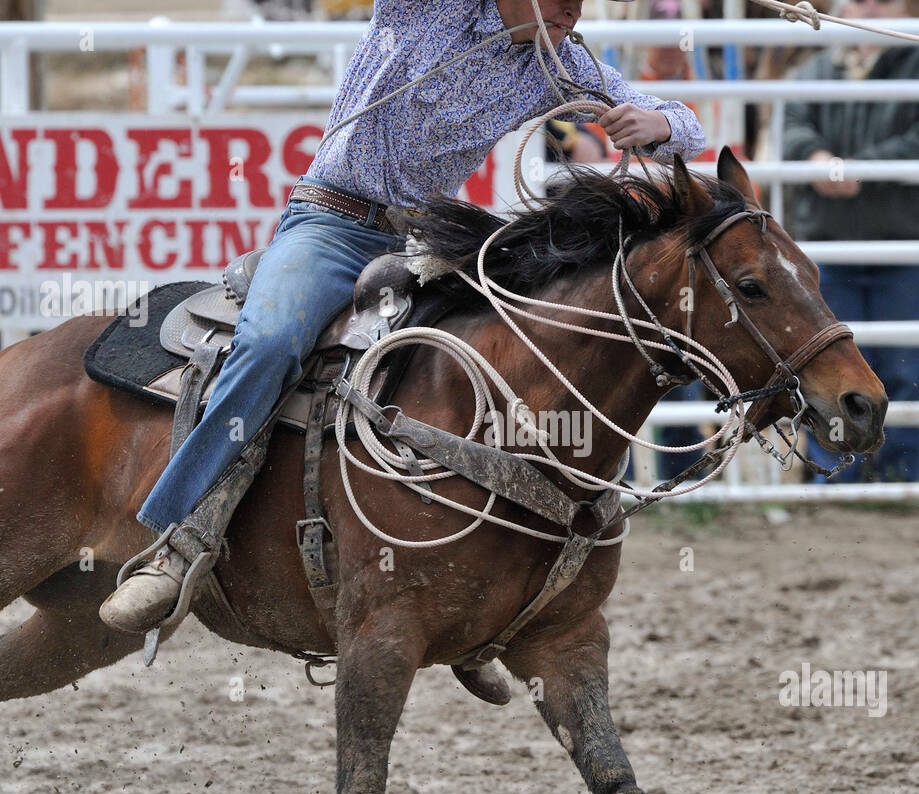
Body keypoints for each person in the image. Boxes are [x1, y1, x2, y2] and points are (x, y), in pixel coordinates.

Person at [99, 0, 706, 633]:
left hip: (424, 240)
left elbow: (686, 127)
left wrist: (656, 122)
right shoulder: (425, 10)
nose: (571, 7)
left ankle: (471, 598)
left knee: (502, 348)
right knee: (271, 341)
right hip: (333, 224)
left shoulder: (555, 63)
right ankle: (182, 536)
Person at [782, 0, 919, 483]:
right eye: (860, 0)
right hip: (832, 251)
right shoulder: (815, 70)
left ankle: (900, 480)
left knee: (907, 372)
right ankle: (834, 478)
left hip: (907, 248)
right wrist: (815, 156)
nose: (870, 8)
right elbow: (792, 127)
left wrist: (862, 170)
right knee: (828, 376)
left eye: (882, 0)